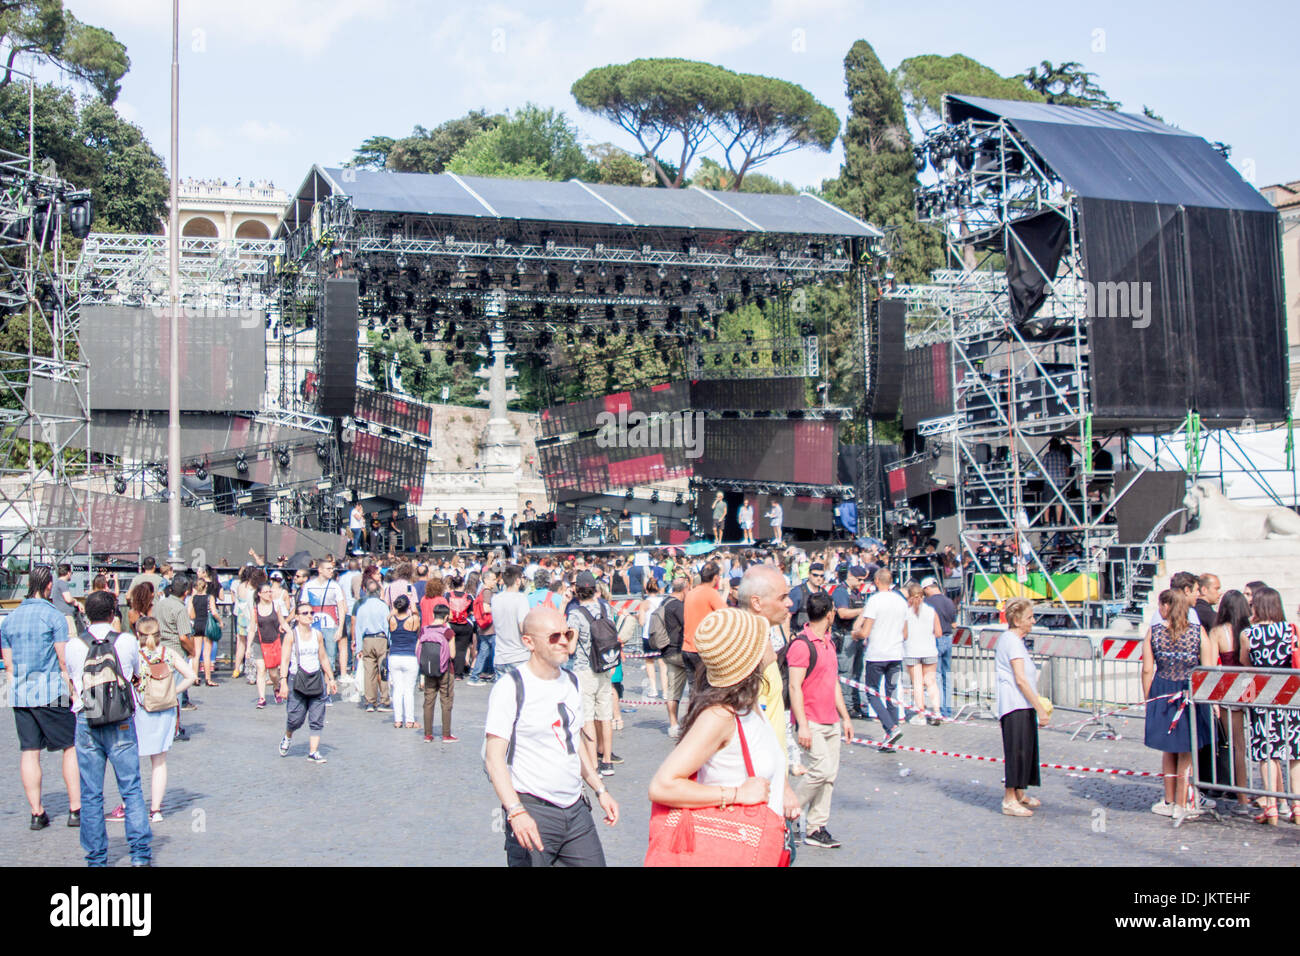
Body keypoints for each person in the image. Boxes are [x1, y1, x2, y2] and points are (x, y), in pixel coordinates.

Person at [647, 608, 800, 864]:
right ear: (749, 654)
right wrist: (736, 794)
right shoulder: (720, 716)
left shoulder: (748, 706)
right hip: (732, 846)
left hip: (758, 841)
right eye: (763, 636)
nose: (772, 639)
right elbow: (662, 785)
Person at [483, 605, 619, 867]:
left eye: (567, 634)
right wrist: (515, 811)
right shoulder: (510, 687)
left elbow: (574, 742)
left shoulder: (572, 682)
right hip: (533, 809)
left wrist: (600, 790)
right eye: (553, 636)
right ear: (529, 642)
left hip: (576, 809)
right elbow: (494, 759)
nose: (563, 642)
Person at [64, 590, 148, 865]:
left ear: (86, 615)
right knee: (131, 788)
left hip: (87, 718)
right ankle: (139, 855)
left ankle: (96, 857)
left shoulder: (74, 645)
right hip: (120, 719)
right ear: (114, 614)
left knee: (91, 793)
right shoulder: (125, 641)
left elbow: (73, 682)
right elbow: (135, 672)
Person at [0, 566, 81, 830]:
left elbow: (8, 665)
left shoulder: (10, 620)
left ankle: (37, 813)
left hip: (21, 693)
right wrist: (73, 689)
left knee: (29, 751)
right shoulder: (53, 616)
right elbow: (62, 660)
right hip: (51, 692)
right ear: (48, 587)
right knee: (70, 746)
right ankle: (75, 809)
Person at [1142, 589, 1215, 826]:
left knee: (1168, 748)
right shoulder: (1197, 632)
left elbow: (1146, 669)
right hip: (1189, 690)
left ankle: (1170, 799)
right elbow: (1208, 666)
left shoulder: (1154, 632)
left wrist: (1148, 699)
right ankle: (1182, 804)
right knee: (1187, 750)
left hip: (1163, 689)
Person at [787, 591, 854, 848]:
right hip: (811, 720)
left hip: (830, 719)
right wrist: (802, 724)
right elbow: (794, 687)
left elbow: (833, 682)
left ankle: (817, 827)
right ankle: (789, 809)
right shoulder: (802, 645)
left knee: (829, 776)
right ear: (829, 615)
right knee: (820, 770)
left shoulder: (829, 642)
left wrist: (845, 717)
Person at [1239, 586, 1300, 826]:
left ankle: (1272, 807)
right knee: (1295, 754)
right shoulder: (1291, 630)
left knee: (1267, 753)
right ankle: (1297, 806)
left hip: (1263, 699)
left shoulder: (1249, 634)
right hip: (1290, 697)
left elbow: (1245, 663)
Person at [131, 616, 197, 823]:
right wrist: (173, 692)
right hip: (165, 710)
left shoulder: (135, 654)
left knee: (132, 760)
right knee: (159, 762)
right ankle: (156, 809)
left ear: (138, 634)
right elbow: (191, 676)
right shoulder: (168, 653)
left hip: (141, 710)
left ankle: (130, 804)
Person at [996, 597, 1051, 817]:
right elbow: (1020, 679)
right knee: (1016, 751)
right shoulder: (1010, 641)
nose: (1033, 621)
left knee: (1026, 750)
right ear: (1017, 620)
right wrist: (1040, 708)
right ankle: (1009, 799)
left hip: (1022, 704)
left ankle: (1019, 792)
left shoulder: (1016, 641)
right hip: (1014, 705)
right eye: (1029, 617)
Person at [568, 571, 620, 775]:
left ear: (577, 591)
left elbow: (571, 648)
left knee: (588, 717)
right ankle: (607, 761)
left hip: (584, 669)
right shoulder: (606, 608)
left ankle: (593, 764)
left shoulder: (576, 614)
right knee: (605, 716)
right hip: (606, 666)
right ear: (595, 590)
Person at [851, 569, 908, 751]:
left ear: (876, 581)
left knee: (872, 692)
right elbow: (906, 633)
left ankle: (890, 728)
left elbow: (865, 631)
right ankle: (890, 736)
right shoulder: (900, 601)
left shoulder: (874, 600)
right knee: (891, 693)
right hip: (896, 654)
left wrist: (855, 634)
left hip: (877, 654)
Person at [1209, 590, 1253, 815]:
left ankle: (1243, 797)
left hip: (1229, 690)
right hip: (1253, 688)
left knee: (1236, 745)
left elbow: (1208, 666)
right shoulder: (1251, 630)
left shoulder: (1218, 632)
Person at [277, 601, 338, 763]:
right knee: (295, 718)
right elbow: (284, 660)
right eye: (305, 613)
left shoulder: (317, 635)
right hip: (296, 678)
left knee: (317, 717)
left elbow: (323, 657)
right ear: (297, 617)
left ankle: (313, 752)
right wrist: (282, 681)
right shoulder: (291, 636)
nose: (310, 616)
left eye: (311, 612)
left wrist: (331, 678)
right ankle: (288, 735)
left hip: (315, 678)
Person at [902, 583, 943, 726]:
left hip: (912, 651)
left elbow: (904, 634)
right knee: (931, 682)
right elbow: (938, 633)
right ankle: (937, 711)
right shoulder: (932, 611)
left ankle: (921, 714)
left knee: (917, 683)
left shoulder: (906, 613)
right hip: (930, 650)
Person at [418, 604, 457, 742]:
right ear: (446, 617)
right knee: (446, 701)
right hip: (445, 671)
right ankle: (446, 734)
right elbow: (452, 654)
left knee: (428, 701)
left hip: (428, 670)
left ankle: (428, 734)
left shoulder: (424, 630)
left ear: (434, 615)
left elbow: (418, 650)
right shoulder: (448, 632)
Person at [682, 562, 726, 681]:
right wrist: (727, 592)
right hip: (703, 649)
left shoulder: (692, 592)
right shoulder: (711, 593)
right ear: (716, 578)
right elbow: (727, 615)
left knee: (694, 689)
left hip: (687, 647)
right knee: (707, 690)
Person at [922, 577, 958, 719]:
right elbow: (953, 622)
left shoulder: (927, 603)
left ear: (927, 588)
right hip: (948, 638)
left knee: (935, 677)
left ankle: (939, 709)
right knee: (946, 675)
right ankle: (947, 711)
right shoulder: (949, 601)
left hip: (934, 639)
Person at [354, 579, 392, 713]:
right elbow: (387, 626)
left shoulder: (361, 607)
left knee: (369, 672)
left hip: (367, 640)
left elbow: (358, 629)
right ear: (377, 592)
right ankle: (384, 700)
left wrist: (358, 648)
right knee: (383, 671)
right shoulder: (383, 606)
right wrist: (390, 642)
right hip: (381, 639)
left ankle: (370, 702)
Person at [489, 565, 532, 678]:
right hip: (519, 656)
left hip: (500, 656)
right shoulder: (521, 599)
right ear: (517, 580)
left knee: (503, 693)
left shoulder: (496, 599)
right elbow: (523, 628)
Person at [660, 577, 689, 740]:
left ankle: (673, 725)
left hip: (667, 651)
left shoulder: (664, 603)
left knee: (673, 691)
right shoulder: (678, 606)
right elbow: (688, 624)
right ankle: (694, 722)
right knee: (696, 686)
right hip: (680, 650)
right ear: (684, 589)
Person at [252, 581, 288, 710]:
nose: (269, 594)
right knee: (261, 669)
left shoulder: (276, 605)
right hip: (259, 642)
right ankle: (262, 698)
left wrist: (291, 634)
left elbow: (282, 622)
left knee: (273, 673)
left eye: (270, 591)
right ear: (260, 594)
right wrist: (247, 648)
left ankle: (276, 687)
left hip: (273, 641)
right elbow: (252, 628)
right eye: (266, 592)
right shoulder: (255, 609)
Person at [387, 594, 421, 730]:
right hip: (410, 656)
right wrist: (413, 606)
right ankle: (409, 720)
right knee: (409, 690)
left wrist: (395, 609)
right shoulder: (414, 619)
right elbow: (418, 628)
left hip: (394, 656)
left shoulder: (391, 619)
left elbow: (390, 615)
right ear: (408, 607)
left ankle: (397, 720)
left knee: (397, 689)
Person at [636, 576, 668, 699]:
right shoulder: (663, 602)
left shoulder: (644, 603)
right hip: (661, 635)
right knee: (663, 664)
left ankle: (653, 689)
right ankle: (665, 691)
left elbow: (641, 622)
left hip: (647, 636)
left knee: (649, 662)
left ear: (647, 590)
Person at [188, 575, 220, 688]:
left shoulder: (193, 598)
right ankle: (208, 678)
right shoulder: (209, 597)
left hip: (197, 624)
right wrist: (220, 621)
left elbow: (189, 614)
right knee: (206, 654)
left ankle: (195, 678)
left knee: (196, 654)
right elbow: (214, 612)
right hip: (207, 624)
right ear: (206, 586)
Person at [445, 574, 475, 678]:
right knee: (461, 649)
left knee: (449, 647)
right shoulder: (469, 596)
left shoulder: (447, 595)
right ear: (463, 584)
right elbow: (472, 611)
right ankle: (458, 673)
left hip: (450, 624)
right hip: (464, 624)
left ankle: (450, 670)